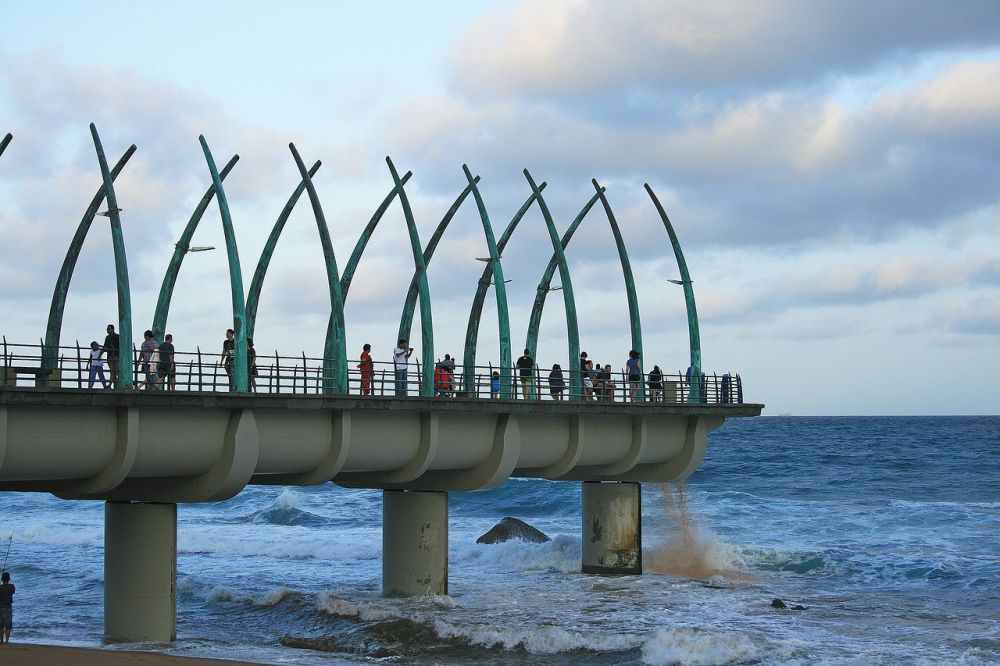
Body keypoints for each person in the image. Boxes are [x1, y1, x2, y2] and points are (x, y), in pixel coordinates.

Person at [102, 324, 120, 388]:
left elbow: (120, 346)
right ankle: (115, 384)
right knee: (113, 371)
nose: (107, 330)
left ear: (112, 329)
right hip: (109, 357)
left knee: (114, 371)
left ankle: (111, 384)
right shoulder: (107, 337)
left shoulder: (117, 337)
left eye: (108, 329)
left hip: (116, 356)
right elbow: (104, 347)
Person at [0, 571, 13, 644]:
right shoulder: (11, 586)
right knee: (8, 626)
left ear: (2, 579)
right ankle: (7, 641)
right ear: (9, 579)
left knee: (1, 625)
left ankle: (1, 640)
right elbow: (13, 592)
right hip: (8, 607)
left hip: (0, 607)